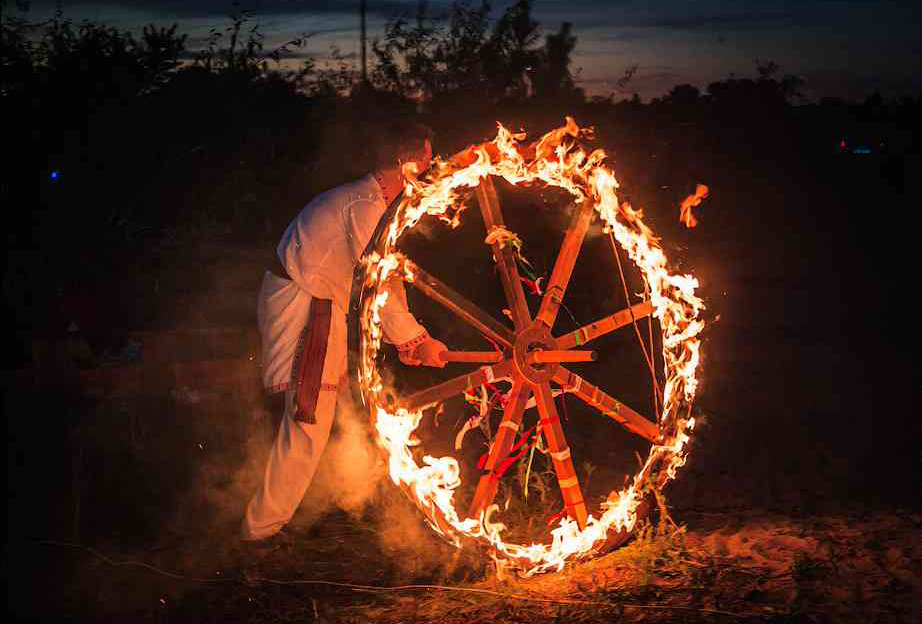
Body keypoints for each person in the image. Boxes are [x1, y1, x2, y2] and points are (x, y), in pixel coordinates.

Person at [242, 120, 448, 541]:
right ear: (405, 162)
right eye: (425, 161)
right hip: (304, 305)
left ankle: (323, 503)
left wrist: (410, 339)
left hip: (321, 303)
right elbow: (378, 282)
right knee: (309, 416)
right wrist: (415, 339)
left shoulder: (378, 206)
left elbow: (387, 278)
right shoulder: (364, 206)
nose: (429, 170)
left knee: (325, 413)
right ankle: (260, 530)